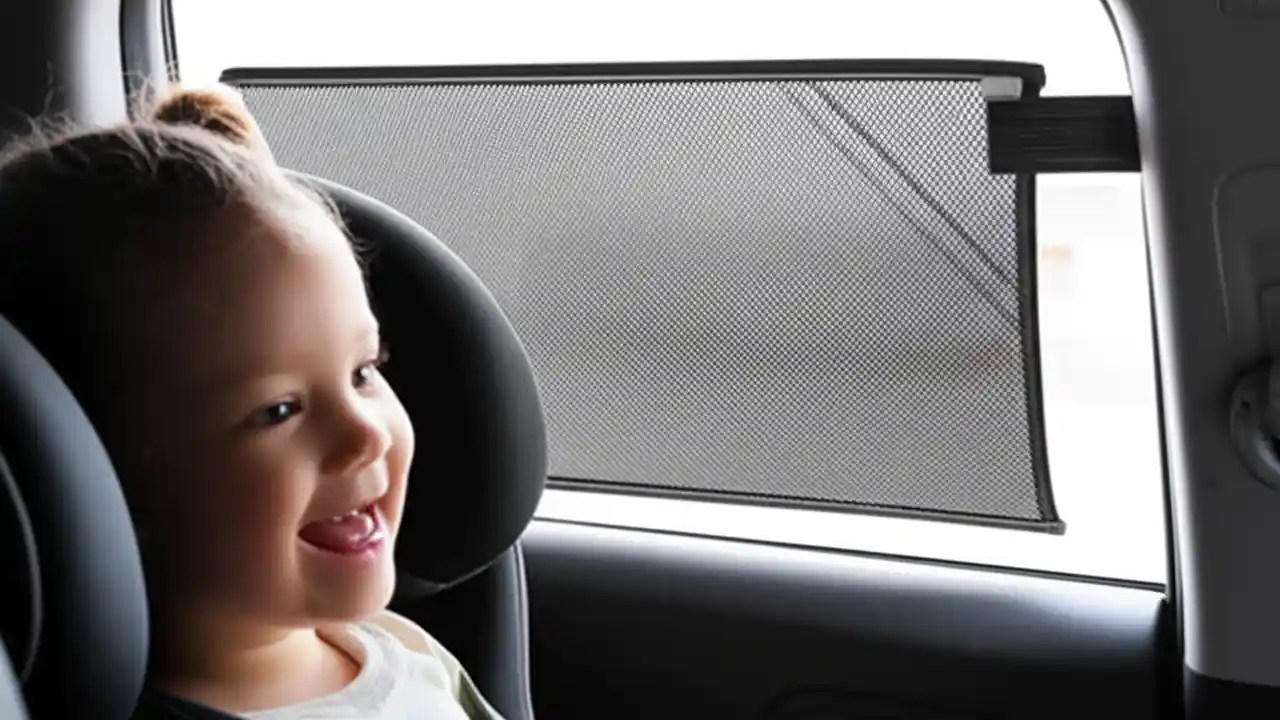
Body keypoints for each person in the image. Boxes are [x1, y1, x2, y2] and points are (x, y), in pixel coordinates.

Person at [0, 84, 504, 719]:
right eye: (278, 411)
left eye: (363, 372)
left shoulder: (402, 650)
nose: (366, 436)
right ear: (92, 474)